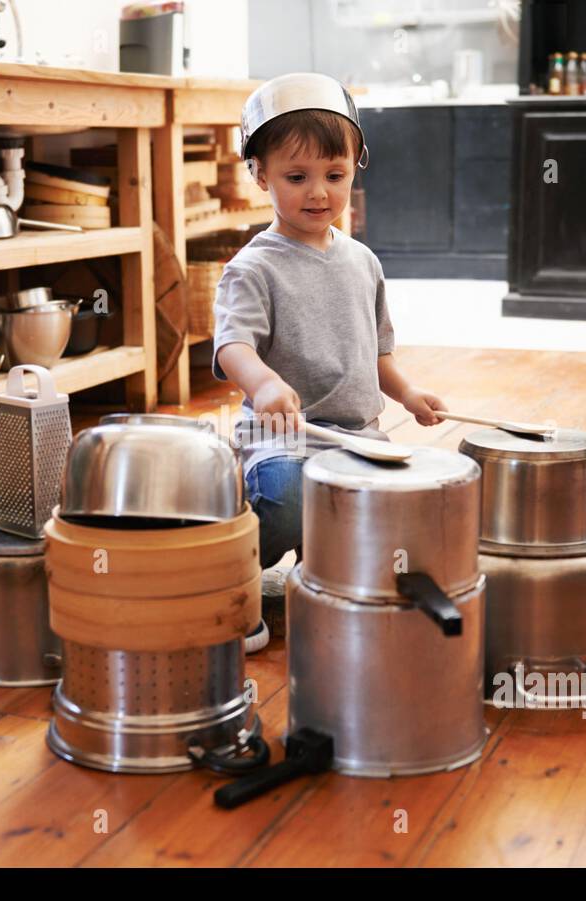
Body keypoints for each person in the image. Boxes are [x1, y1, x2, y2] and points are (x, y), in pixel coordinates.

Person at [212, 73, 446, 652]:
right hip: (285, 437)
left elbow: (379, 352)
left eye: (334, 176)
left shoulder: (363, 262)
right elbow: (231, 345)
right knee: (290, 498)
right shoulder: (253, 267)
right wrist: (263, 384)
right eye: (297, 177)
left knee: (396, 502)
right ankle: (228, 588)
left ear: (353, 171)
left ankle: (326, 581)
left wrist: (410, 396)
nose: (318, 193)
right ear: (260, 175)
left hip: (359, 437)